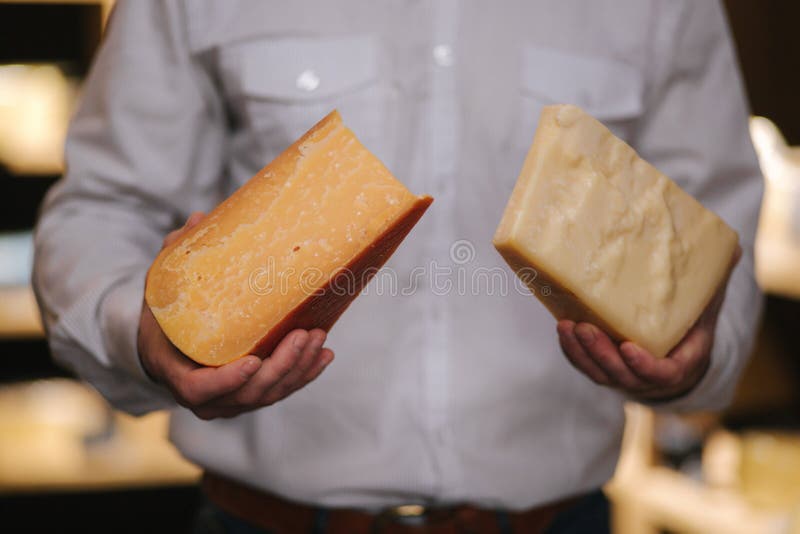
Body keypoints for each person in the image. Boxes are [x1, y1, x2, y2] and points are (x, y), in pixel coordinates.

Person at [33, 1, 763, 532]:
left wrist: (696, 357)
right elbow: (101, 210)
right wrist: (145, 332)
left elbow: (716, 230)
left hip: (559, 520)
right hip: (262, 520)